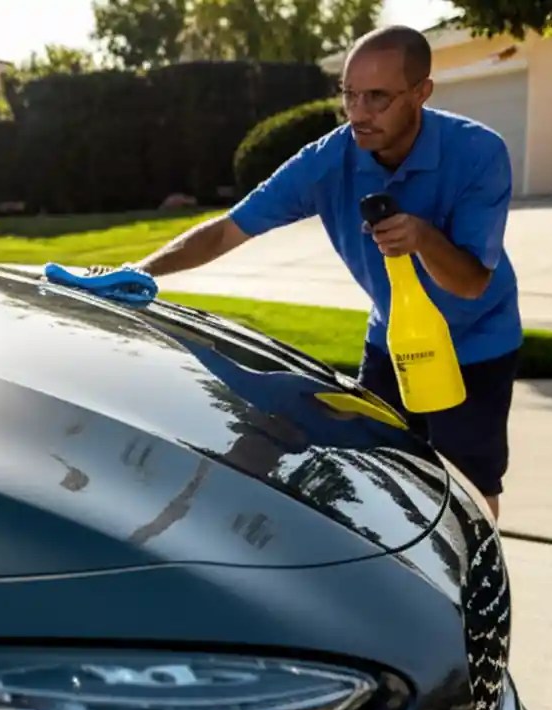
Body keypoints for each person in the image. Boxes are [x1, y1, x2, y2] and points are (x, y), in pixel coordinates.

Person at [97, 25, 521, 519]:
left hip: (477, 342)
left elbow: (471, 284)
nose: (358, 113)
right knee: (378, 474)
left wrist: (424, 238)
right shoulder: (328, 161)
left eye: (378, 98)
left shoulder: (478, 154)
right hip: (394, 340)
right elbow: (230, 229)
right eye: (349, 95)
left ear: (421, 92)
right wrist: (137, 270)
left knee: (470, 490)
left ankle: (474, 592)